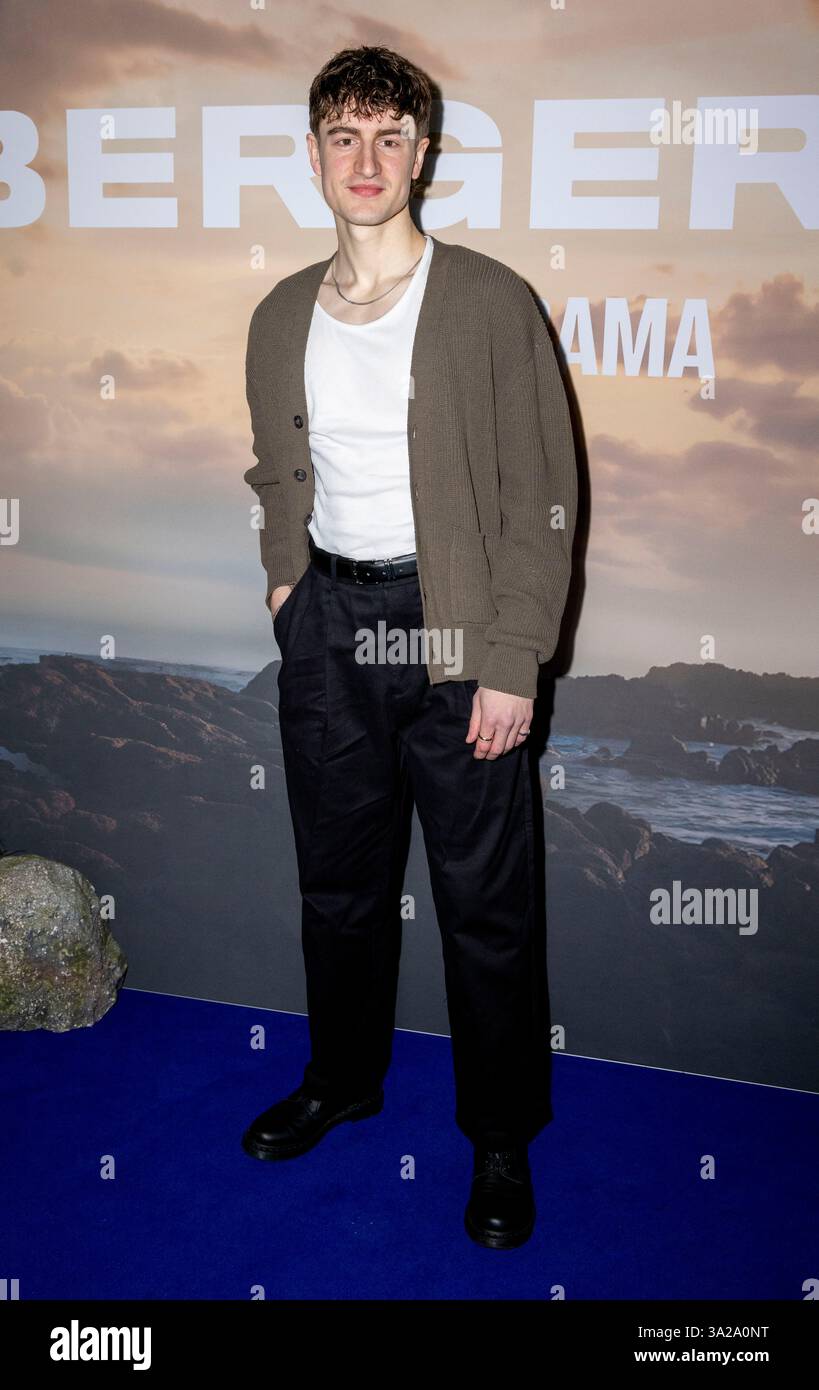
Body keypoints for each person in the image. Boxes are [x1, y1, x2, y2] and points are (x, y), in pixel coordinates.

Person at [241, 44, 577, 1250]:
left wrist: (511, 654)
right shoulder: (282, 310)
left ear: (424, 153)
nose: (366, 160)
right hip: (329, 622)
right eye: (344, 136)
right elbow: (280, 465)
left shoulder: (487, 300)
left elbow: (545, 489)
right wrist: (286, 579)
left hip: (454, 620)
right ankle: (344, 1078)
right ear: (317, 153)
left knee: (483, 901)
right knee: (337, 888)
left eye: (390, 136)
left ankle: (498, 1133)